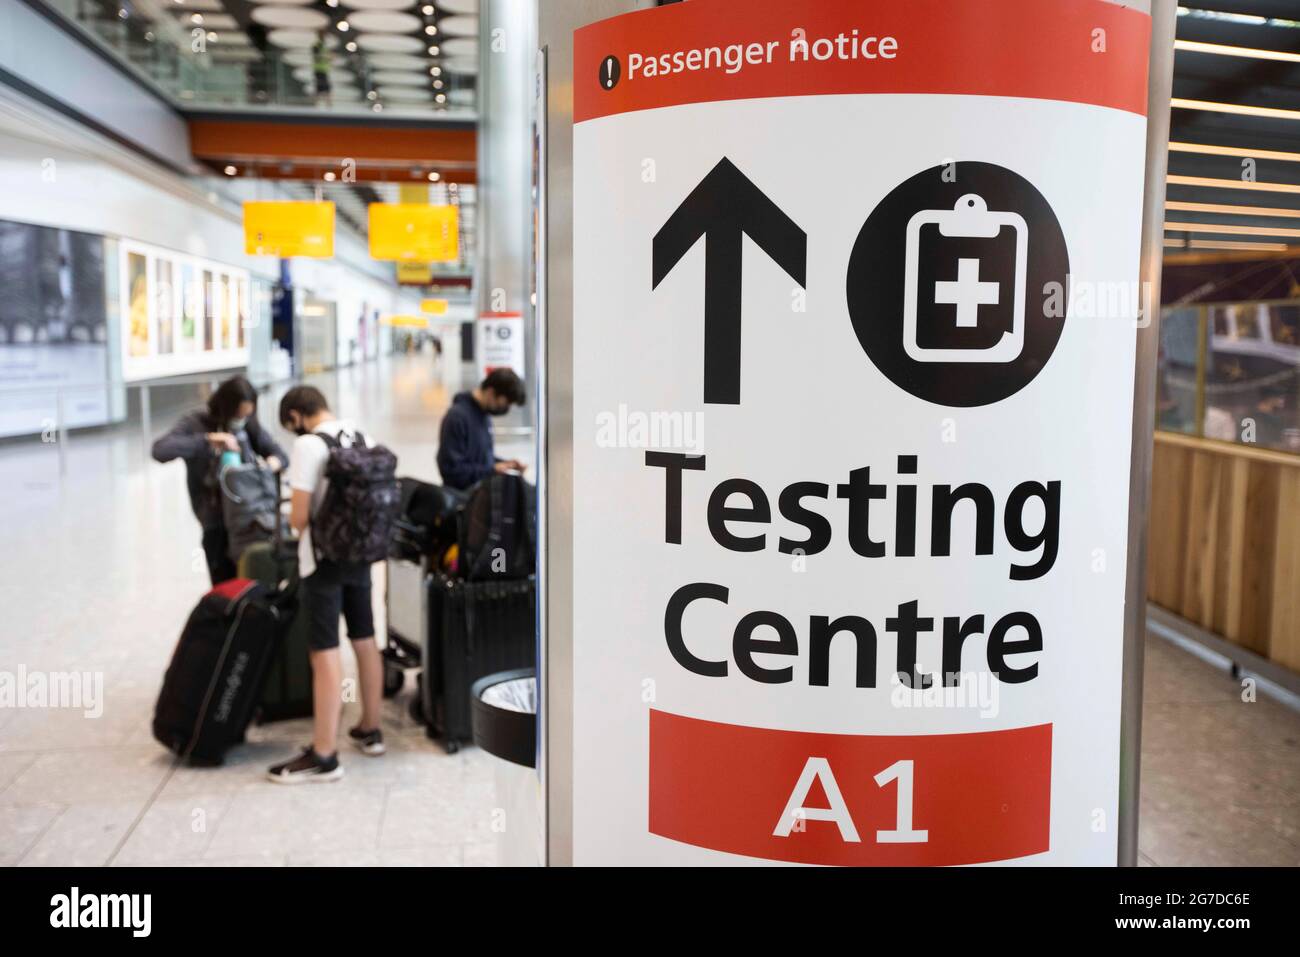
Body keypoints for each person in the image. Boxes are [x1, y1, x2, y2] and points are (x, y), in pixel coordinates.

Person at [268, 385, 385, 783]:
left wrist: (290, 525)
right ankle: (371, 729)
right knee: (365, 637)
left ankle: (323, 753)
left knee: (324, 651)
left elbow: (299, 516)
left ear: (298, 415)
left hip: (322, 562)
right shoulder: (361, 434)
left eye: (291, 425)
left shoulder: (308, 446)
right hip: (361, 555)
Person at [151, 375, 286, 585]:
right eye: (237, 415)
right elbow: (160, 450)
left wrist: (271, 464)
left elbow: (279, 454)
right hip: (216, 523)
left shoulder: (247, 425)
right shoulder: (196, 423)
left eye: (246, 415)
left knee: (256, 583)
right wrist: (207, 441)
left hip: (250, 522)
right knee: (225, 586)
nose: (241, 420)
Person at [436, 368, 527, 491]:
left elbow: (480, 458)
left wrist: (506, 465)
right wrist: (492, 470)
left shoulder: (484, 415)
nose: (504, 410)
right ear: (490, 392)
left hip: (483, 492)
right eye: (503, 405)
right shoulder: (457, 418)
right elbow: (452, 472)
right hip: (465, 497)